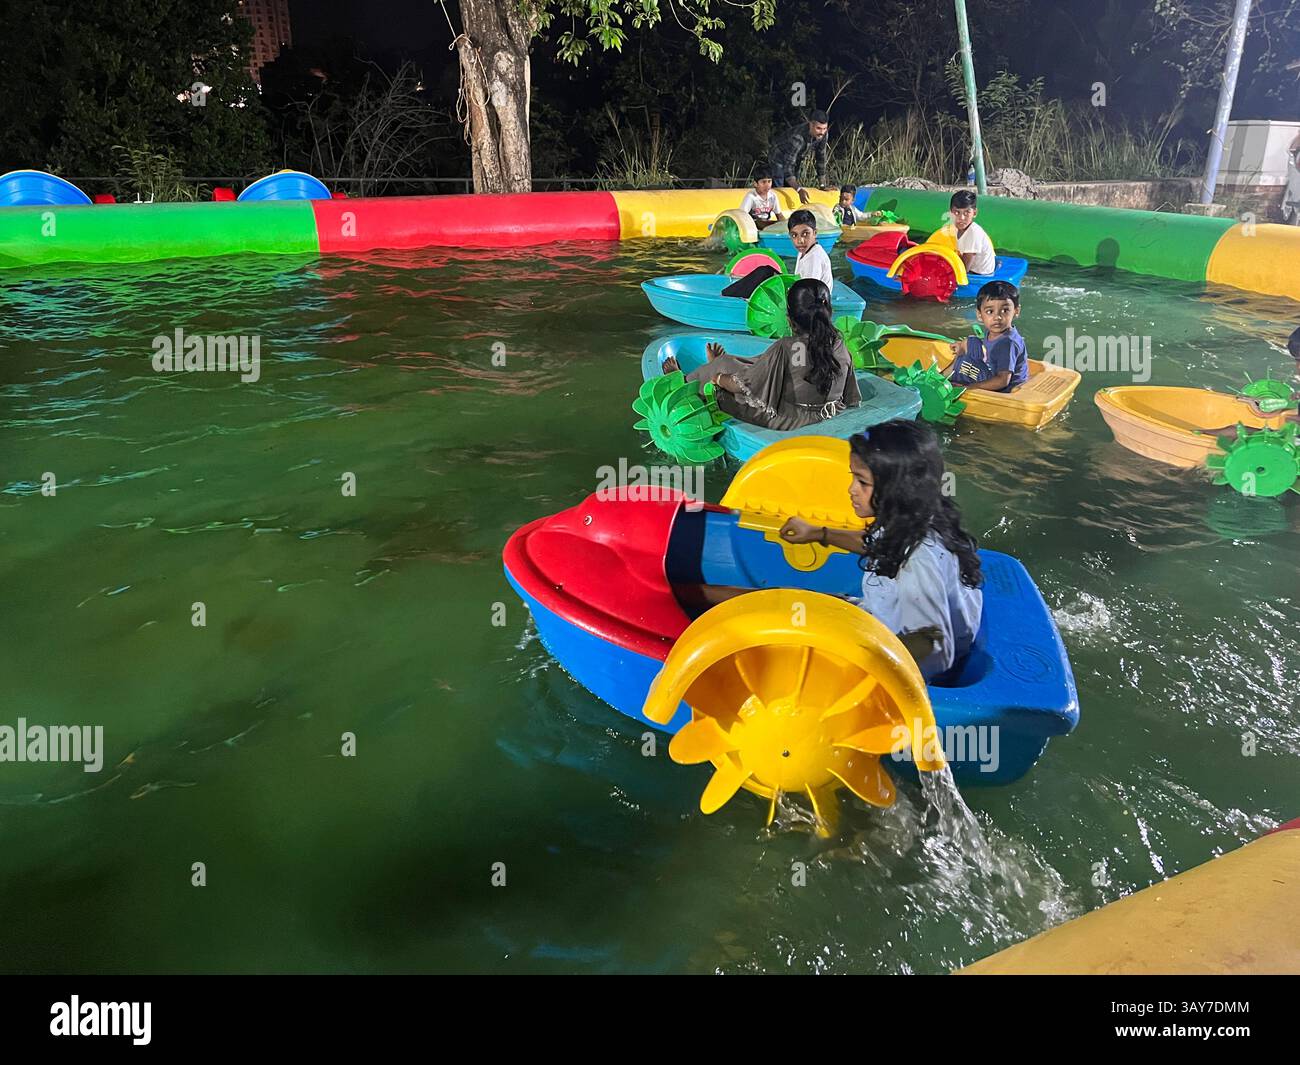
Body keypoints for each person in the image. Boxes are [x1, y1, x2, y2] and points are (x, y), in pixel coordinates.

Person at [778, 421, 984, 680]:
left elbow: (935, 648)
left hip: (898, 651)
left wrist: (854, 666)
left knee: (786, 613)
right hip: (888, 625)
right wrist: (820, 534)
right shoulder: (915, 517)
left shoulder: (919, 560)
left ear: (899, 488)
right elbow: (880, 545)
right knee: (788, 602)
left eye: (862, 482)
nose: (851, 489)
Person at [662, 278, 859, 430]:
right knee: (742, 363)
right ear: (829, 311)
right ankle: (718, 363)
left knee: (722, 381)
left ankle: (684, 381)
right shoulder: (839, 344)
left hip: (791, 417)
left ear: (789, 319)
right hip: (828, 411)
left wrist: (719, 379)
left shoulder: (786, 347)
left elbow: (746, 386)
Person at [948, 281, 1028, 393]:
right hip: (992, 373)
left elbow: (1003, 380)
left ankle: (950, 383)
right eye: (990, 311)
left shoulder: (1008, 343)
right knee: (970, 342)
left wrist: (969, 388)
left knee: (965, 362)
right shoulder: (996, 333)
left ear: (1016, 311)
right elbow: (989, 348)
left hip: (1004, 390)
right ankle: (948, 377)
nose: (998, 317)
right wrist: (963, 346)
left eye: (1005, 310)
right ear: (979, 314)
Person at [768, 110, 830, 205]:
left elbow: (821, 158)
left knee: (792, 185)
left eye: (824, 128)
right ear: (811, 125)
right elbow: (788, 168)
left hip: (795, 157)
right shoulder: (798, 138)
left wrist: (822, 184)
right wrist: (799, 189)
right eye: (818, 128)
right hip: (778, 157)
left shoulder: (823, 135)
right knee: (779, 185)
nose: (821, 132)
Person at [948, 189, 996, 276]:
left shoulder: (974, 232)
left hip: (980, 275)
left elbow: (964, 270)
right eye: (957, 212)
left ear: (974, 213)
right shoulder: (955, 228)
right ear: (951, 212)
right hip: (973, 269)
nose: (961, 218)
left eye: (967, 213)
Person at [789, 208, 833, 290]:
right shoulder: (804, 251)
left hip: (814, 300)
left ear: (815, 233)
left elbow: (809, 292)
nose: (800, 241)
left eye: (805, 234)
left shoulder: (814, 257)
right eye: (794, 235)